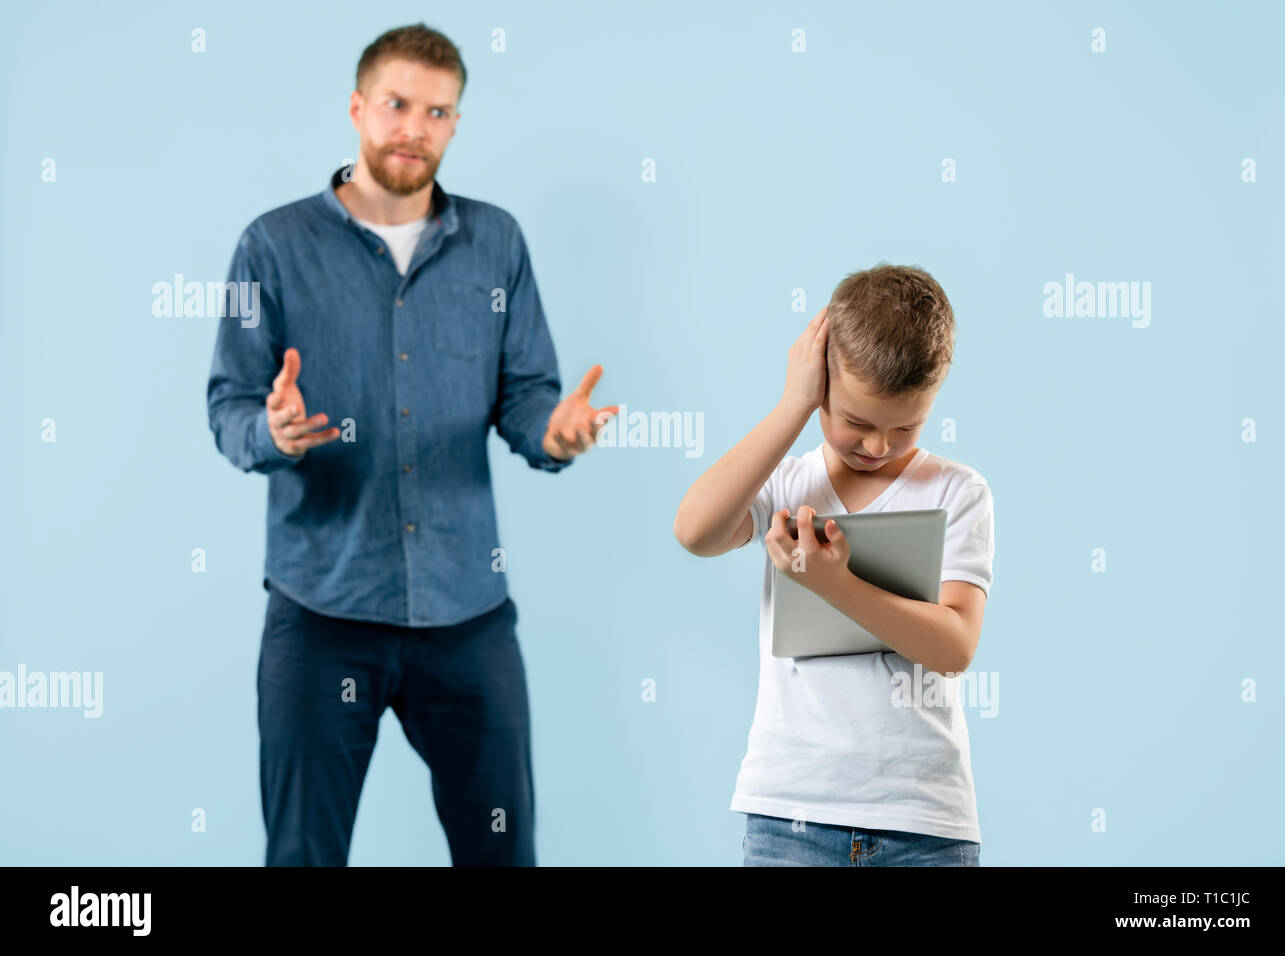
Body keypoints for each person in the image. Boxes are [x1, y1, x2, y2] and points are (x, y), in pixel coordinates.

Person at [206, 23, 615, 866]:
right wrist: (272, 433)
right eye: (396, 105)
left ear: (455, 124)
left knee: (503, 852)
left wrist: (555, 432)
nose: (413, 129)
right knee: (302, 855)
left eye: (437, 111)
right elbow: (229, 407)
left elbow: (526, 396)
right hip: (322, 612)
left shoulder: (495, 242)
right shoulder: (272, 246)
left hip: (468, 613)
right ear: (358, 107)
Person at [673, 265, 994, 866]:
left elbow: (954, 647)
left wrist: (833, 584)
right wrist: (793, 404)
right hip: (790, 815)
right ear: (821, 383)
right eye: (856, 422)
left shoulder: (958, 491)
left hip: (923, 822)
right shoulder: (788, 482)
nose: (878, 447)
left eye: (905, 427)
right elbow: (695, 530)